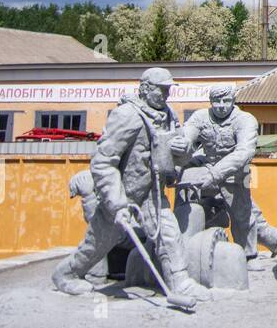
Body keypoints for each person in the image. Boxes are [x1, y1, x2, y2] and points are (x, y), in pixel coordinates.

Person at [52, 68, 209, 300]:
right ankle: (67, 274)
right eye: (161, 89)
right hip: (122, 193)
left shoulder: (168, 115)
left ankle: (180, 283)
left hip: (152, 191)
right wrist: (116, 204)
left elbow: (177, 158)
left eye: (168, 90)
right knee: (100, 242)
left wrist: (183, 151)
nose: (166, 95)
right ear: (145, 88)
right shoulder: (127, 115)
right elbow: (103, 162)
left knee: (168, 234)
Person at [171, 84, 277, 260]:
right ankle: (183, 241)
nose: (221, 105)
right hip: (208, 165)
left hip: (237, 171)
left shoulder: (244, 119)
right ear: (210, 102)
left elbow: (244, 153)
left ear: (233, 100)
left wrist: (215, 175)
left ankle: (250, 255)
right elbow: (188, 135)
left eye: (226, 100)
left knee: (243, 215)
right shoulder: (201, 117)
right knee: (185, 178)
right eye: (216, 101)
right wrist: (183, 144)